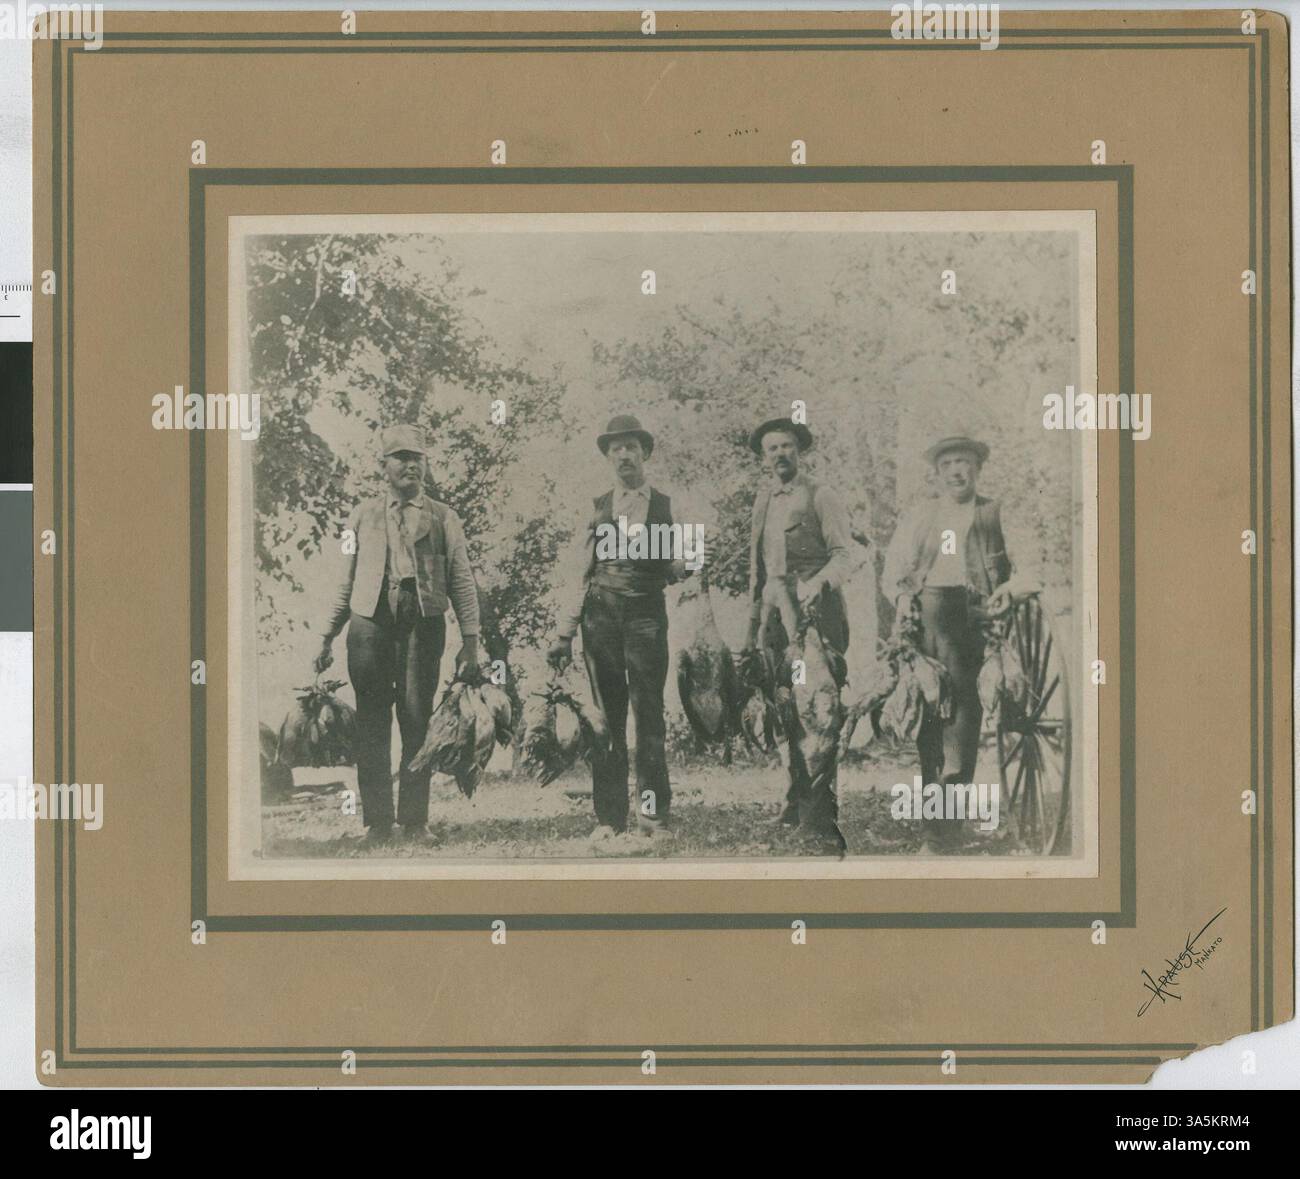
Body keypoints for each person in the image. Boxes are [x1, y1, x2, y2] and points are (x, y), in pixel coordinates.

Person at [314, 424, 481, 845]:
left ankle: (415, 821)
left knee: (416, 718)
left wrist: (471, 640)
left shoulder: (445, 518)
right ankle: (377, 825)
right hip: (369, 623)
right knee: (371, 721)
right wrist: (326, 636)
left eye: (417, 458)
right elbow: (345, 580)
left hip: (422, 620)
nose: (410, 465)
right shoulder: (361, 515)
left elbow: (462, 580)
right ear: (382, 466)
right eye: (401, 457)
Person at [882, 434, 1037, 847]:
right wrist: (901, 599)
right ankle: (937, 824)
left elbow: (1029, 569)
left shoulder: (993, 515)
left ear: (978, 469)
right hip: (929, 620)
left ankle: (945, 830)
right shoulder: (921, 516)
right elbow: (894, 569)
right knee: (929, 725)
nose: (957, 471)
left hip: (977, 623)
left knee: (962, 727)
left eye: (965, 462)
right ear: (937, 473)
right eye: (948, 463)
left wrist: (1013, 589)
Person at [547, 414, 690, 840]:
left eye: (631, 447)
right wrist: (564, 632)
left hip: (647, 615)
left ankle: (653, 818)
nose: (624, 455)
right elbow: (580, 572)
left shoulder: (668, 504)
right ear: (608, 457)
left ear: (644, 452)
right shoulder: (597, 508)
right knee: (604, 721)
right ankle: (609, 819)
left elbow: (690, 561)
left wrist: (678, 565)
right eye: (616, 449)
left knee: (649, 717)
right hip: (601, 618)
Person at [741, 416, 854, 849]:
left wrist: (818, 583)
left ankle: (820, 814)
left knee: (819, 709)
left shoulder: (821, 496)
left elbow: (845, 555)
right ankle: (795, 798)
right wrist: (753, 626)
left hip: (816, 618)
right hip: (776, 620)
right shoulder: (764, 500)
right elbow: (759, 568)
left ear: (799, 451)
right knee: (786, 703)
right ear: (763, 458)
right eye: (772, 449)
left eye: (787, 446)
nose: (780, 454)